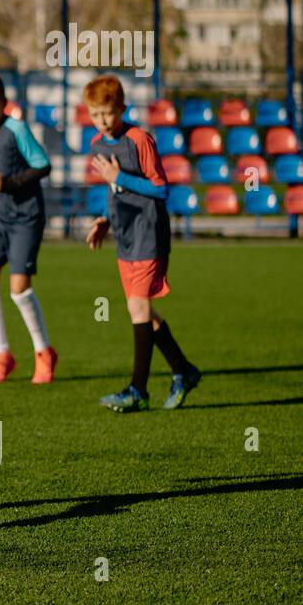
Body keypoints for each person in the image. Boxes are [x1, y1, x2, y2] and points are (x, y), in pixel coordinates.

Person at [84, 75, 201, 412]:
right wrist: (105, 220)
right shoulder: (98, 144)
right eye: (94, 115)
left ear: (121, 108)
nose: (101, 121)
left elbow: (161, 189)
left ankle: (138, 389)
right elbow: (114, 190)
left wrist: (118, 177)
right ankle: (183, 370)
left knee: (137, 308)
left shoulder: (140, 139)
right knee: (142, 312)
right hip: (125, 234)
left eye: (107, 113)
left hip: (149, 234)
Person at [0, 72, 57, 385]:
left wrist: (9, 182)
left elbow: (43, 165)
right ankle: (2, 355)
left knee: (19, 290)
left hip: (25, 216)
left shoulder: (16, 128)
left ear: (3, 102)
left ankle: (44, 351)